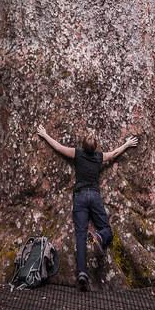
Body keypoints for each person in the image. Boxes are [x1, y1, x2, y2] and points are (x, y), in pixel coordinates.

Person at [37, 123, 139, 290]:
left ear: (82, 146)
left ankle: (82, 273)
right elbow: (114, 153)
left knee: (81, 235)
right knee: (107, 229)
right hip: (94, 196)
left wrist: (45, 134)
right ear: (95, 147)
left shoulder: (77, 154)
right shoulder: (99, 157)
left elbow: (59, 147)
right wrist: (127, 144)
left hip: (80, 197)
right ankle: (100, 236)